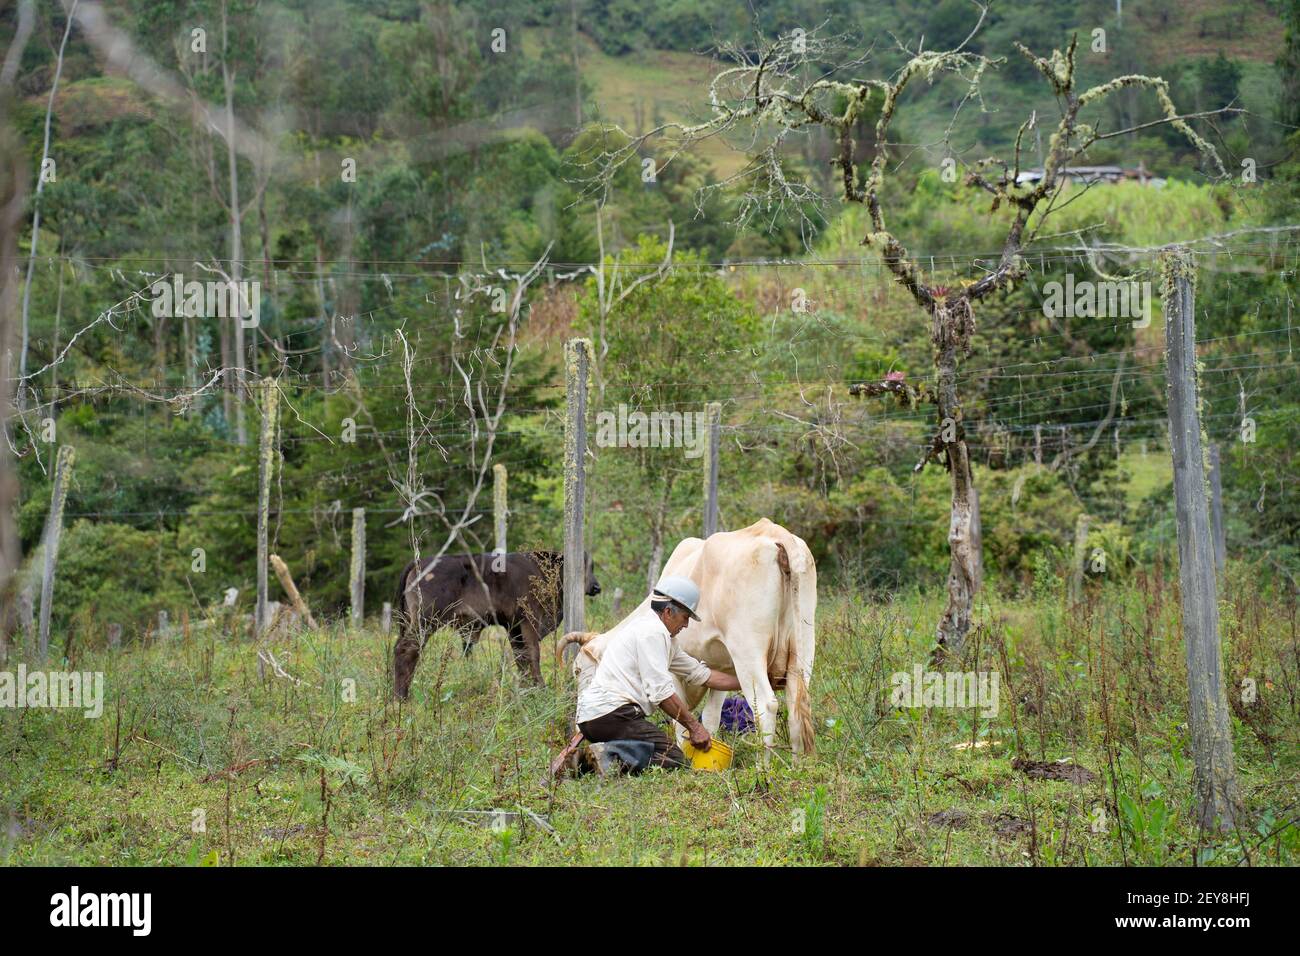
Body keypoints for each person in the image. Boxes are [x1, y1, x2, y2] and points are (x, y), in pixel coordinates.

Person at [576, 575, 740, 770]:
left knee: (659, 752)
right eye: (685, 617)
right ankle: (589, 761)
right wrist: (695, 727)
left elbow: (701, 675)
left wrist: (750, 682)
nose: (686, 625)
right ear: (669, 612)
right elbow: (661, 693)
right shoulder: (653, 633)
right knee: (674, 760)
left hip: (596, 718)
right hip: (612, 715)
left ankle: (604, 752)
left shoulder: (663, 637)